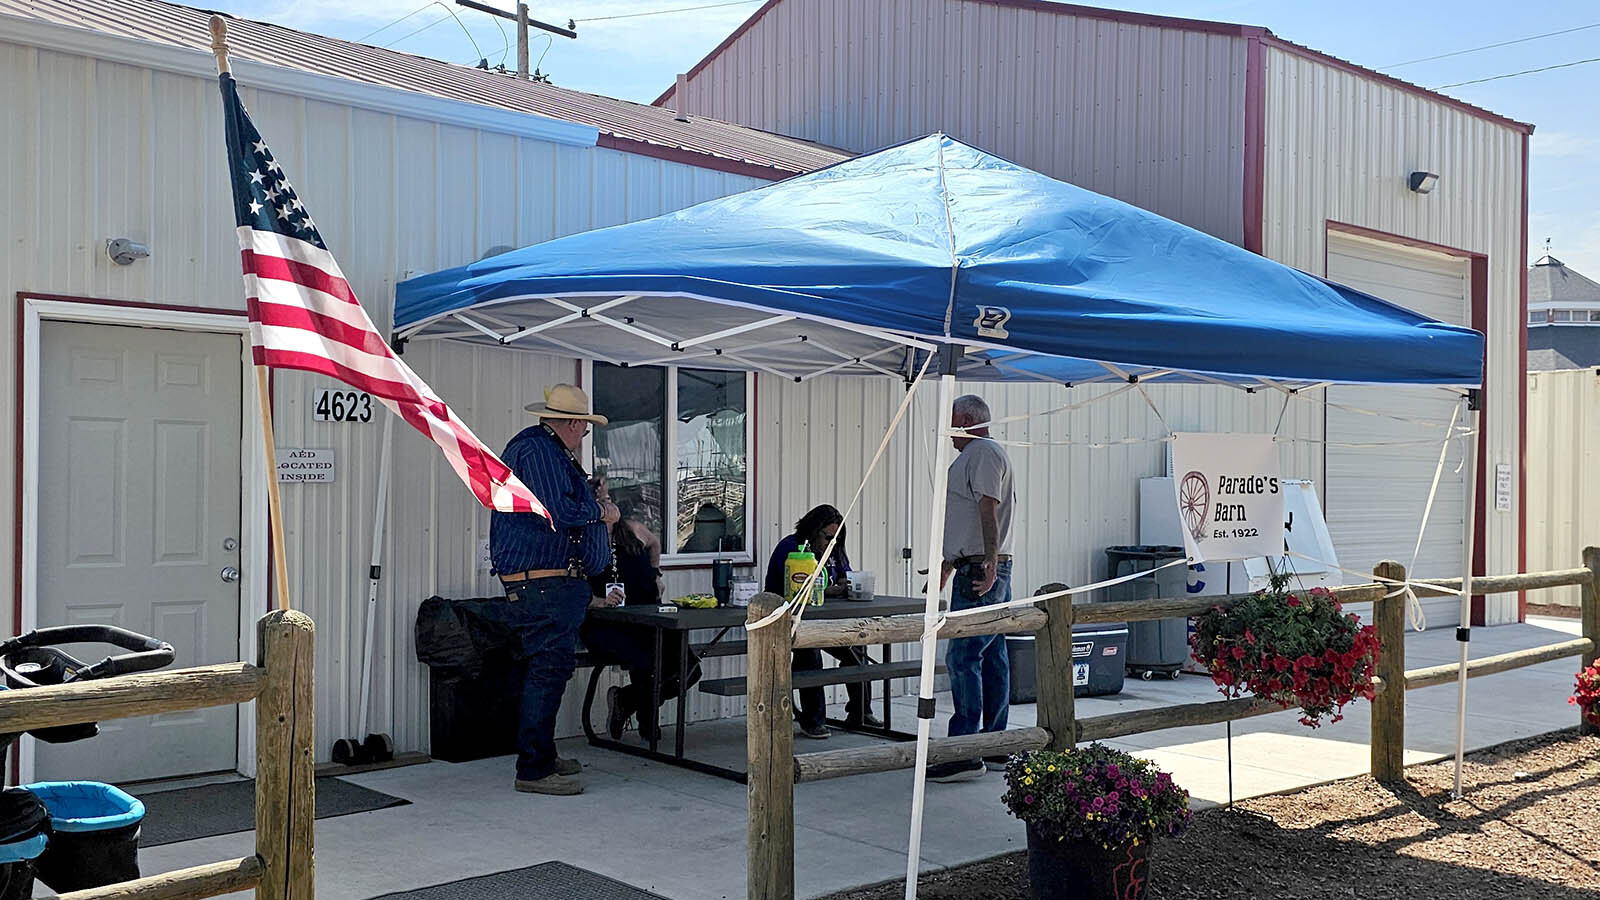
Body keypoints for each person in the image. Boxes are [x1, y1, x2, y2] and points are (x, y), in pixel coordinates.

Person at [485, 384, 619, 796]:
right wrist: (601, 510)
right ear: (575, 424)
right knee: (547, 669)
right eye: (584, 428)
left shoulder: (545, 450)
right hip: (544, 582)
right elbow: (556, 510)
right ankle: (534, 767)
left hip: (550, 582)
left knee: (549, 668)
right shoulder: (539, 451)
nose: (583, 437)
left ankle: (540, 754)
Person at [927, 394, 1016, 783]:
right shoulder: (979, 455)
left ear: (966, 420)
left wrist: (989, 561)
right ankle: (994, 744)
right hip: (975, 563)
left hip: (981, 567)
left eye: (952, 422)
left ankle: (964, 750)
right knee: (992, 652)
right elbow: (969, 516)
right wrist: (949, 562)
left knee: (963, 655)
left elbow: (987, 508)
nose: (948, 432)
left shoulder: (981, 452)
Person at [582, 478, 702, 743]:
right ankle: (647, 719)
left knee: (689, 668)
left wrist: (656, 574)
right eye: (599, 500)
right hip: (607, 622)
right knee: (648, 662)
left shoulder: (632, 530)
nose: (607, 503)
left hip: (649, 615)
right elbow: (569, 585)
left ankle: (626, 700)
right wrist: (598, 600)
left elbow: (655, 544)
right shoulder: (582, 540)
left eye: (608, 498)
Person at [764, 504, 884, 739]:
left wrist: (846, 583)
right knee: (809, 654)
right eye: (828, 537)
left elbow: (844, 575)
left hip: (825, 620)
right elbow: (795, 590)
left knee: (856, 647)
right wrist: (829, 591)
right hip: (789, 621)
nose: (832, 543)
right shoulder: (791, 547)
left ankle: (860, 712)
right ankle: (813, 719)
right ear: (812, 529)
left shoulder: (834, 549)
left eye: (836, 538)